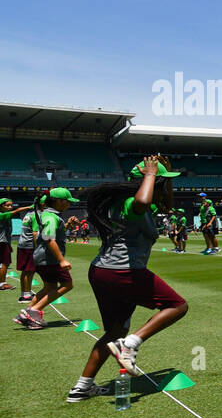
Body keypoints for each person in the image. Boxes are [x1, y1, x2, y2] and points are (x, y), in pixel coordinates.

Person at [66, 157, 189, 400]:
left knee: (114, 331)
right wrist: (152, 175)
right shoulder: (134, 202)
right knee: (177, 306)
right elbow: (143, 201)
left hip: (101, 271)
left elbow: (160, 205)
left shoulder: (120, 202)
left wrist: (162, 180)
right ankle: (130, 344)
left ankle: (82, 386)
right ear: (150, 182)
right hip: (122, 271)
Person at [14, 188, 75, 330]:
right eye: (67, 202)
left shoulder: (48, 215)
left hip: (42, 258)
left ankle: (27, 312)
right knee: (67, 284)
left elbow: (50, 233)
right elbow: (48, 238)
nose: (69, 205)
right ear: (59, 202)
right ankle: (34, 311)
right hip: (50, 259)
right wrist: (61, 260)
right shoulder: (50, 216)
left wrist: (67, 226)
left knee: (50, 286)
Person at [0, 197, 33, 292]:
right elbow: (16, 211)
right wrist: (28, 207)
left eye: (11, 205)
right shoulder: (2, 215)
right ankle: (2, 284)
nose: (10, 207)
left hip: (4, 242)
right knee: (5, 263)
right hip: (2, 242)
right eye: (7, 205)